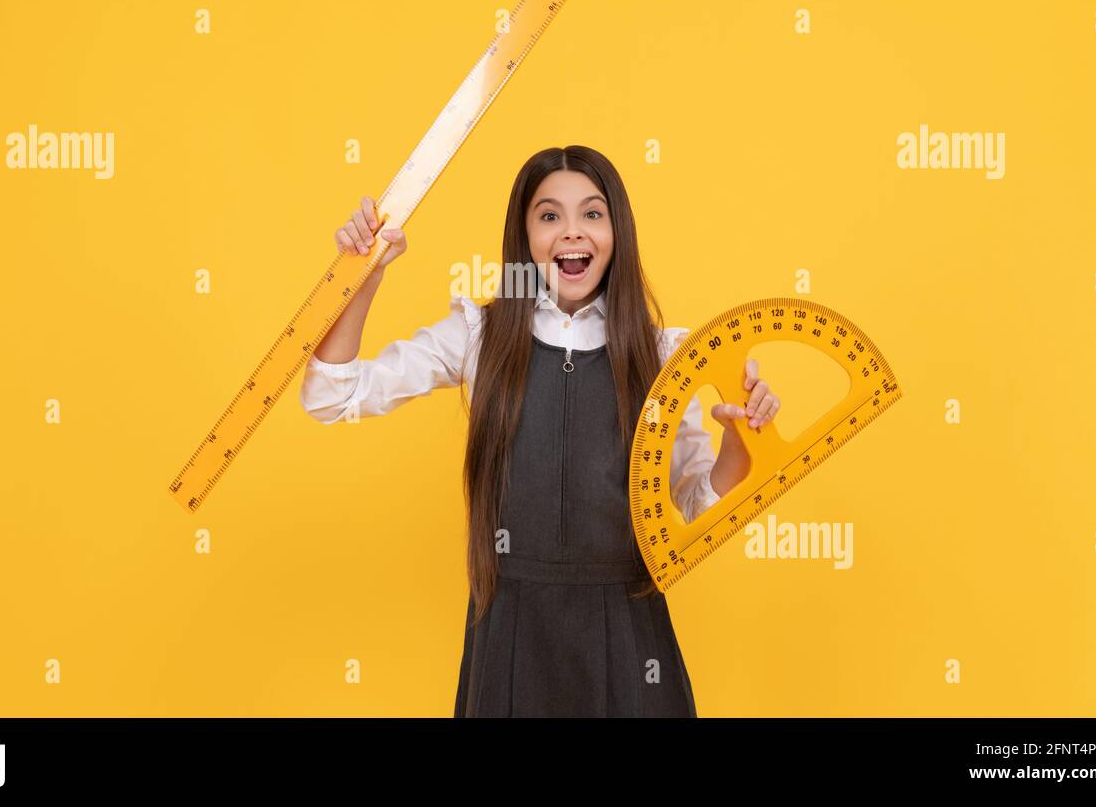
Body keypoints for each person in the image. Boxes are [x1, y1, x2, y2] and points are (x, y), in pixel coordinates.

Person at [298, 145, 782, 716]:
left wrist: (739, 441)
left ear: (618, 231)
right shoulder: (479, 335)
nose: (571, 231)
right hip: (511, 631)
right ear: (524, 237)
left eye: (592, 213)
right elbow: (333, 396)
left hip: (630, 632)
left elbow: (699, 506)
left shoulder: (661, 355)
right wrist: (366, 274)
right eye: (549, 215)